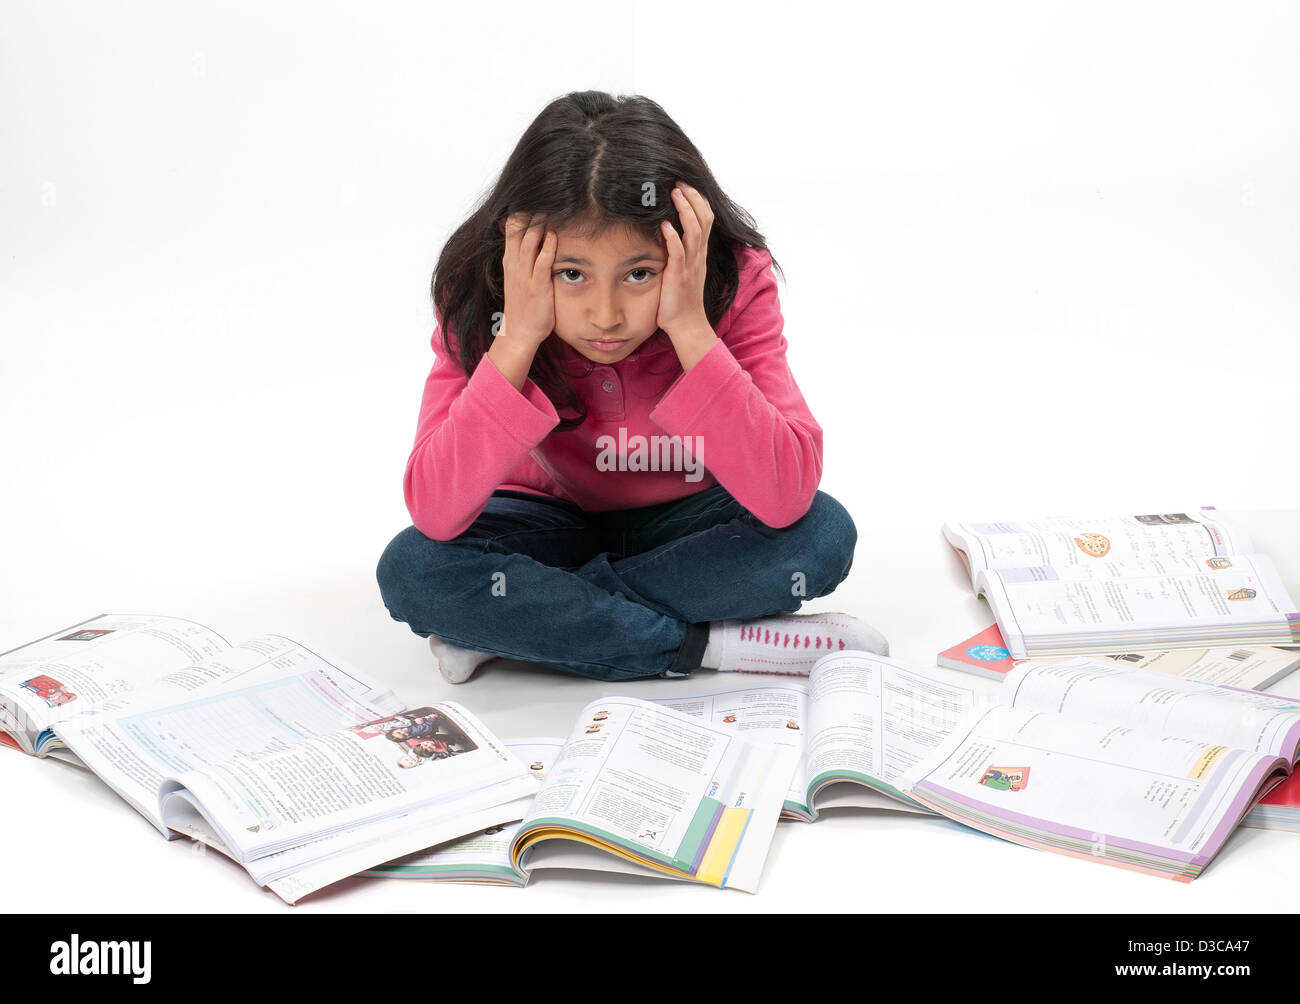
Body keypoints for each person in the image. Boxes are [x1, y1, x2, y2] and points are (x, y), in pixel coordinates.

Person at [376, 90, 888, 684]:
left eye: (639, 273)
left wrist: (691, 328)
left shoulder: (732, 279)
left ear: (685, 253)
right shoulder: (484, 292)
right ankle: (710, 646)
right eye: (571, 274)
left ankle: (520, 626)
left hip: (693, 522)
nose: (605, 316)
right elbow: (436, 514)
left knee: (821, 533)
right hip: (547, 521)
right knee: (414, 569)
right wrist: (516, 337)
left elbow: (783, 496)